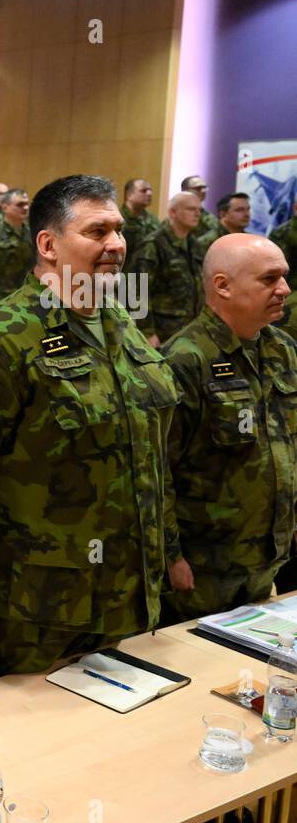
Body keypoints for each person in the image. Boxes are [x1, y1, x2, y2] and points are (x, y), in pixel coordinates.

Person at [0, 174, 179, 675]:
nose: (116, 245)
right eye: (97, 232)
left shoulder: (119, 324)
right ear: (48, 244)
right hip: (32, 605)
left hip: (125, 587)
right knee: (20, 742)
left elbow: (149, 451)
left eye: (119, 231)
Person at [161, 235, 296, 623]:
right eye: (270, 279)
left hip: (266, 559)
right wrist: (169, 557)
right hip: (202, 567)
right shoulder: (185, 359)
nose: (284, 289)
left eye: (284, 277)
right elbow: (156, 474)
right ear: (222, 285)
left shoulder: (281, 349)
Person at [128, 192, 206, 346]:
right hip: (162, 333)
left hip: (190, 330)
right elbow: (136, 291)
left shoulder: (195, 245)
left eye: (199, 209)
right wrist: (147, 332)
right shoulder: (153, 245)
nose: (197, 213)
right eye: (191, 209)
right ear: (173, 212)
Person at [119, 177, 158, 261]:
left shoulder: (153, 219)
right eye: (144, 191)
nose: (149, 193)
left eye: (150, 190)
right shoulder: (118, 218)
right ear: (129, 195)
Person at [182, 175, 220, 241]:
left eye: (204, 187)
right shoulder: (178, 213)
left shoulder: (208, 215)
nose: (203, 191)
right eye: (198, 188)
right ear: (185, 190)